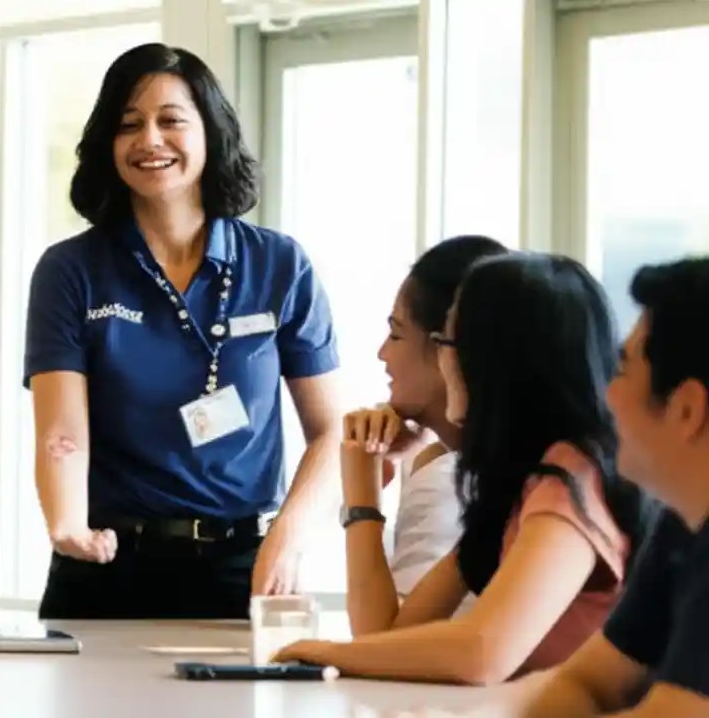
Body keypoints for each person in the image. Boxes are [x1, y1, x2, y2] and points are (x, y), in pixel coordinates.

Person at [24, 42, 342, 619]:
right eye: (129, 125)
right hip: (106, 563)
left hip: (242, 566)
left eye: (171, 120)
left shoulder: (279, 265)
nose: (149, 140)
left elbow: (330, 431)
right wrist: (67, 525)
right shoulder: (71, 270)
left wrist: (288, 536)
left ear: (210, 133)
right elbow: (62, 430)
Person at [273, 252, 655, 684]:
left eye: (449, 344)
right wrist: (363, 493)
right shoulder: (520, 485)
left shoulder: (571, 481)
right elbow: (391, 636)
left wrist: (322, 651)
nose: (444, 359)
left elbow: (481, 653)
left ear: (492, 362)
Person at [523, 258, 709, 717]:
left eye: (624, 370)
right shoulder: (682, 525)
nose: (609, 394)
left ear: (686, 410)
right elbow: (586, 681)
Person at [339, 236, 506, 635]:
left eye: (396, 334)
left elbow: (379, 638)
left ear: (449, 350)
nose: (383, 354)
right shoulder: (440, 459)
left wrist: (361, 496)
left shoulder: (477, 476)